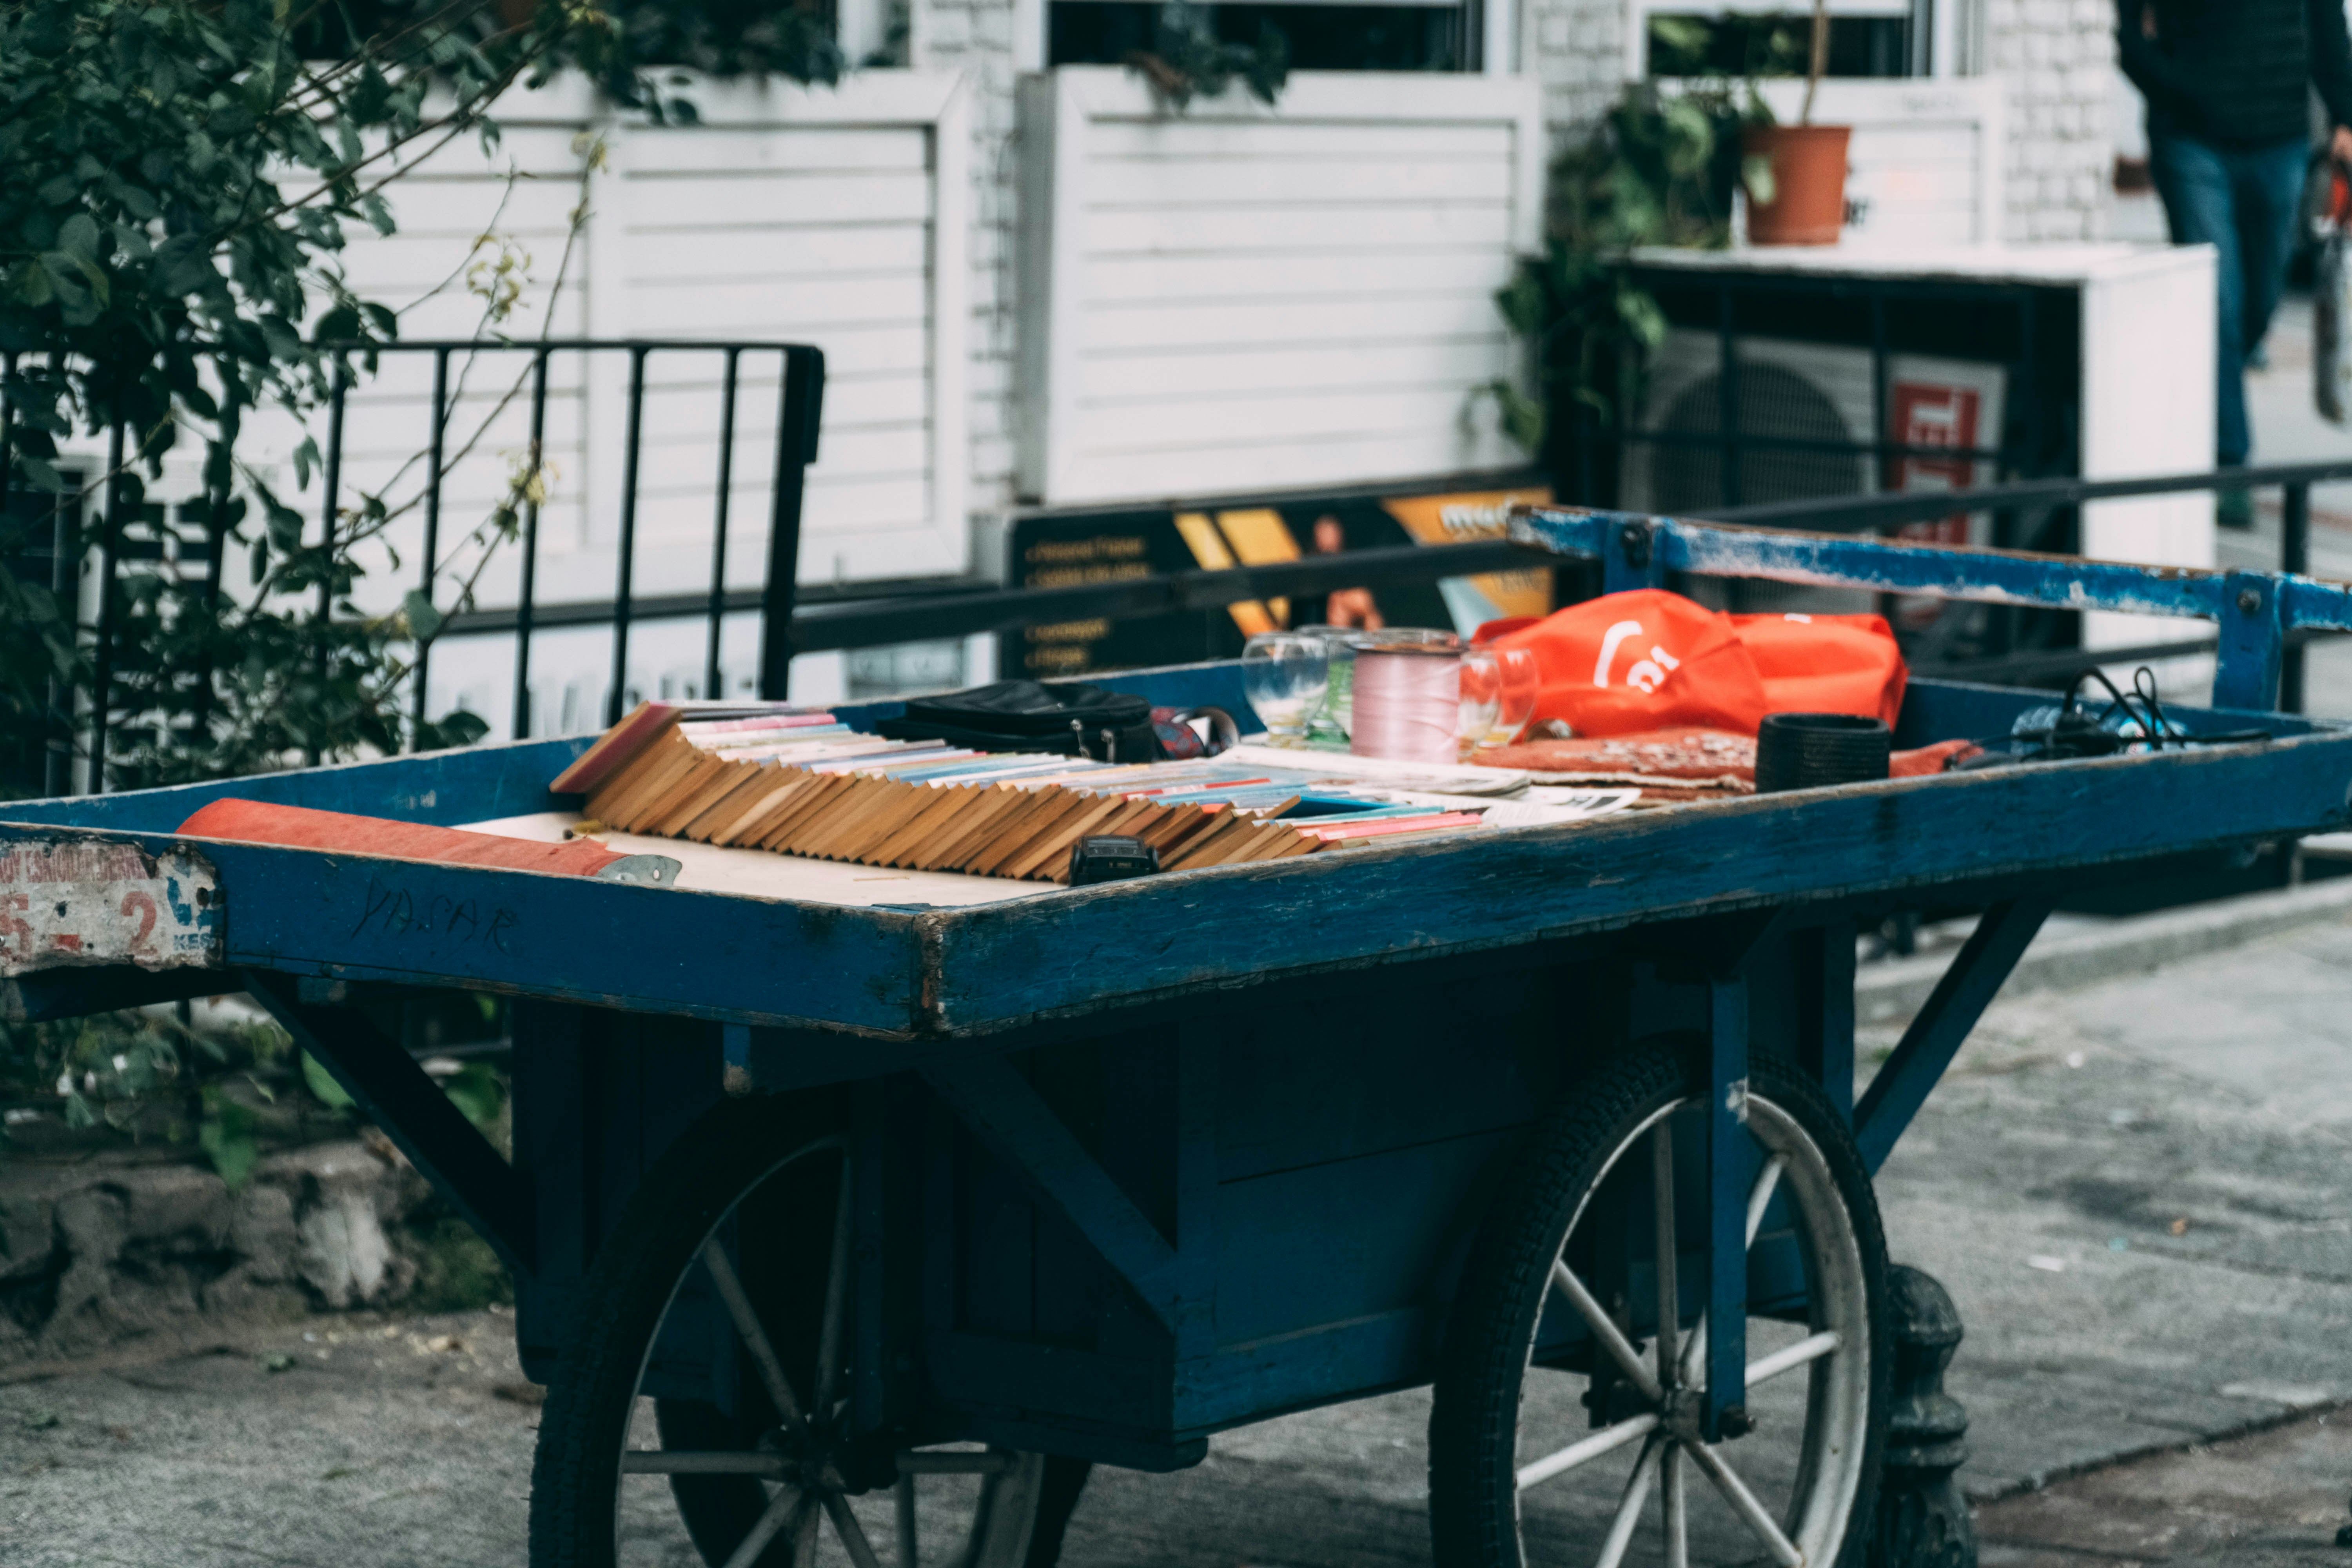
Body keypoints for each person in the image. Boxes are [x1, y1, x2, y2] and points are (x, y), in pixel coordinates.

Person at [2118, 0, 2352, 528]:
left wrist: (2345, 116)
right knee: (2219, 305)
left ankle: (2197, 400)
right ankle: (2230, 466)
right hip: (2192, 143)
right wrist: (2175, 91)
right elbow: (2127, 29)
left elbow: (2326, 21)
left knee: (2257, 306)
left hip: (2281, 138)